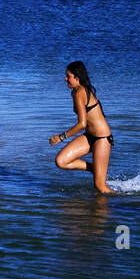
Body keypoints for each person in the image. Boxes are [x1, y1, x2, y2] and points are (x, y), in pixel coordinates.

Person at [50, 61, 114, 194]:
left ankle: (126, 205)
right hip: (90, 136)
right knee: (61, 161)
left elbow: (82, 124)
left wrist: (61, 137)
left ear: (77, 78)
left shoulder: (80, 93)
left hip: (102, 138)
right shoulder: (74, 92)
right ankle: (95, 169)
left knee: (100, 186)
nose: (65, 79)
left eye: (68, 76)